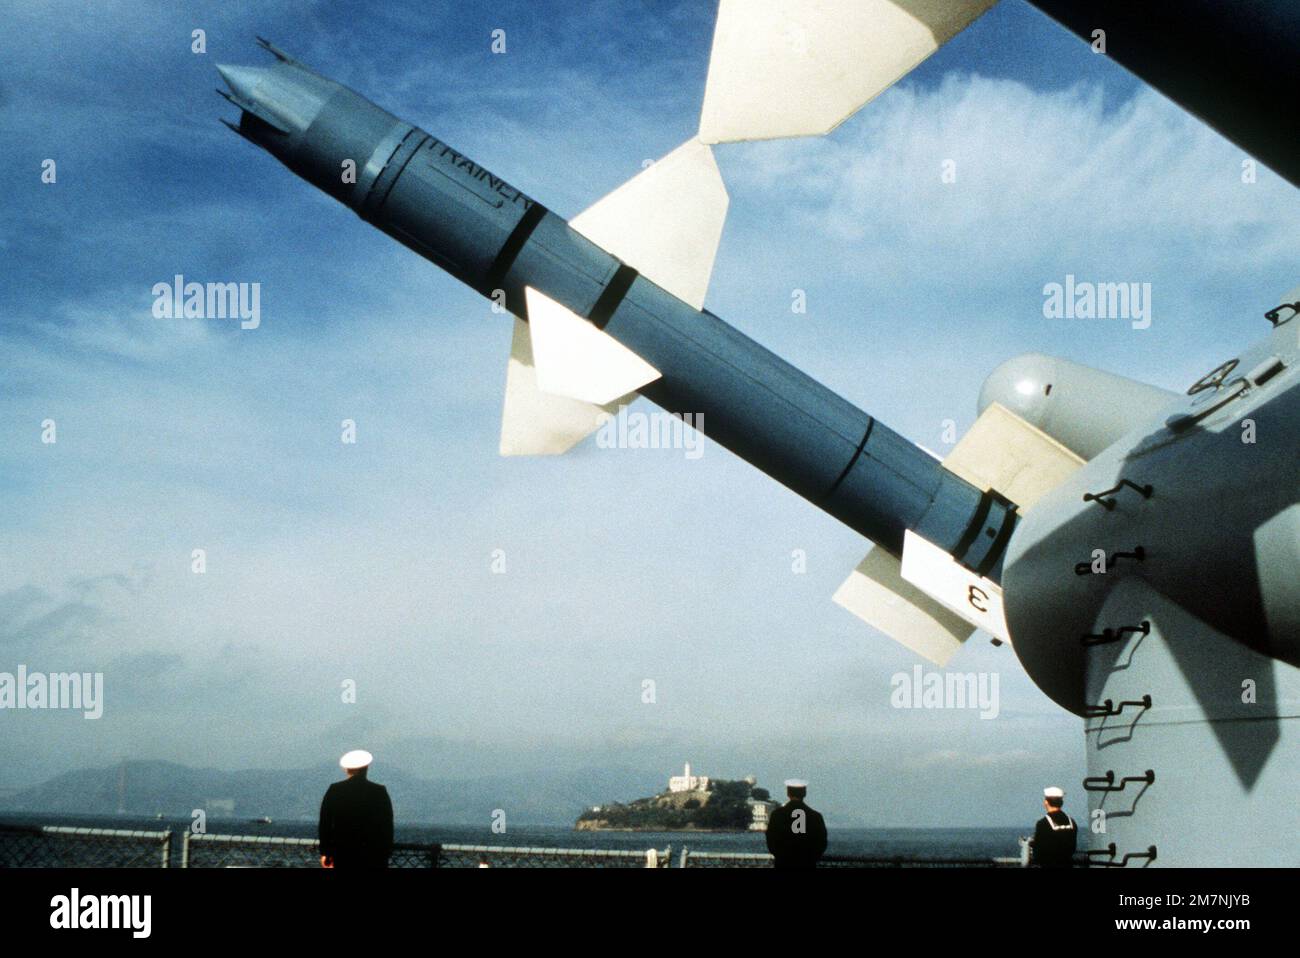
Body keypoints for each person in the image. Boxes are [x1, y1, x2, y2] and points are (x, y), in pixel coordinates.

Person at [318, 749, 394, 869]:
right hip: (373, 854)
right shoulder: (379, 791)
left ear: (347, 769)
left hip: (343, 852)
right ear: (366, 768)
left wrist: (326, 852)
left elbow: (325, 823)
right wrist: (386, 852)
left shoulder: (335, 790)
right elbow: (387, 824)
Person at [765, 778, 828, 869]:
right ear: (804, 793)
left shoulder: (777, 815)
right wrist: (810, 858)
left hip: (783, 863)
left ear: (788, 793)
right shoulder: (815, 816)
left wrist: (781, 856)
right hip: (807, 864)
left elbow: (771, 839)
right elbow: (821, 842)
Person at [1028, 785, 1076, 868]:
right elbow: (1072, 848)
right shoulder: (1071, 822)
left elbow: (1038, 853)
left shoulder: (1043, 824)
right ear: (1061, 802)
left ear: (1046, 802)